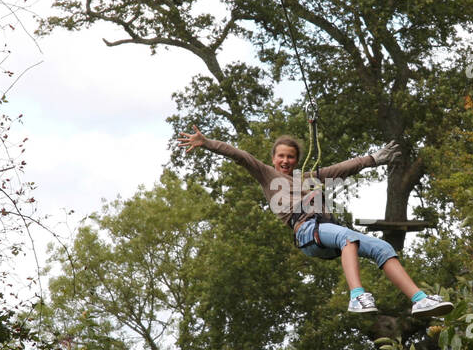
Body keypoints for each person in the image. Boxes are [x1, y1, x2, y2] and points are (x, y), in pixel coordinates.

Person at [179, 128, 452, 316]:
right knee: (349, 237)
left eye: (290, 157)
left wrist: (373, 159)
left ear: (296, 160)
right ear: (273, 159)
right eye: (281, 156)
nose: (285, 161)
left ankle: (420, 300)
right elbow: (239, 155)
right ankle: (357, 296)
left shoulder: (308, 177)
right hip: (307, 231)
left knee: (382, 248)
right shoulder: (267, 176)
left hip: (326, 231)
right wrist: (208, 143)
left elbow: (342, 169)